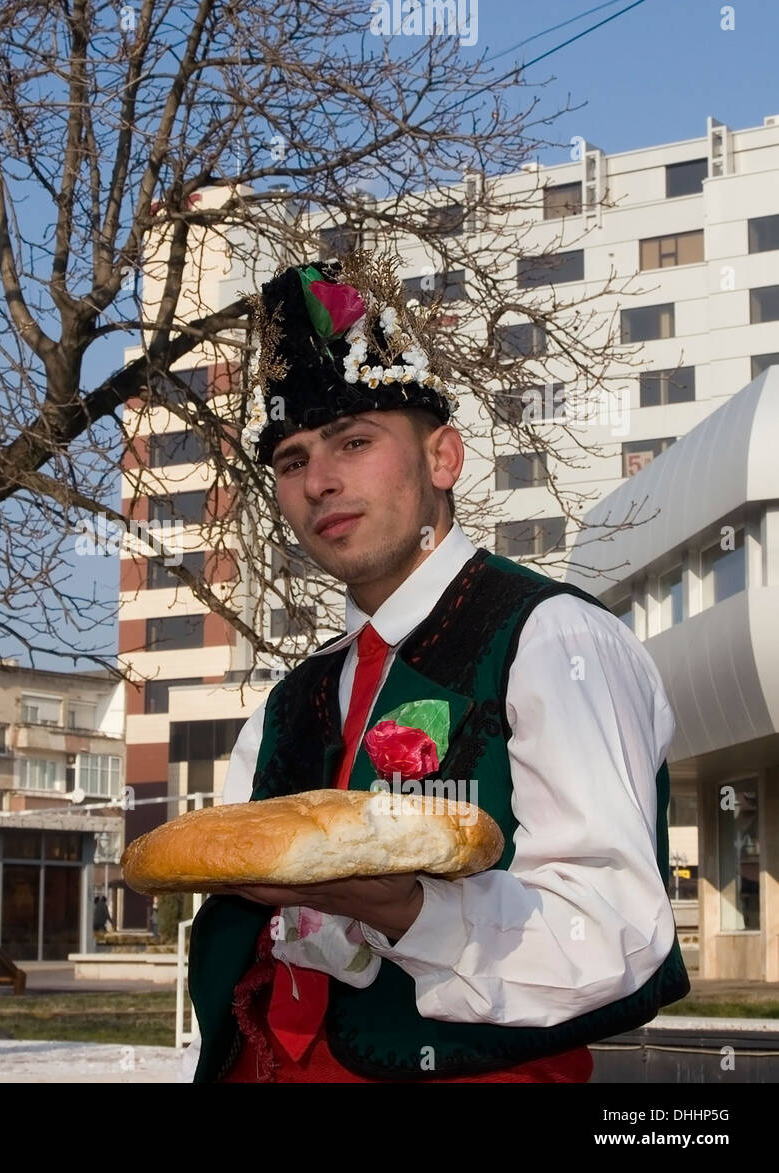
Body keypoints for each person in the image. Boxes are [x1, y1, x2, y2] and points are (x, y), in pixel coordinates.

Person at [184, 253, 689, 1083]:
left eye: (354, 441)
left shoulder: (552, 638)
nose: (320, 481)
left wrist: (415, 911)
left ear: (443, 459)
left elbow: (616, 931)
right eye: (291, 459)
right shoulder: (290, 701)